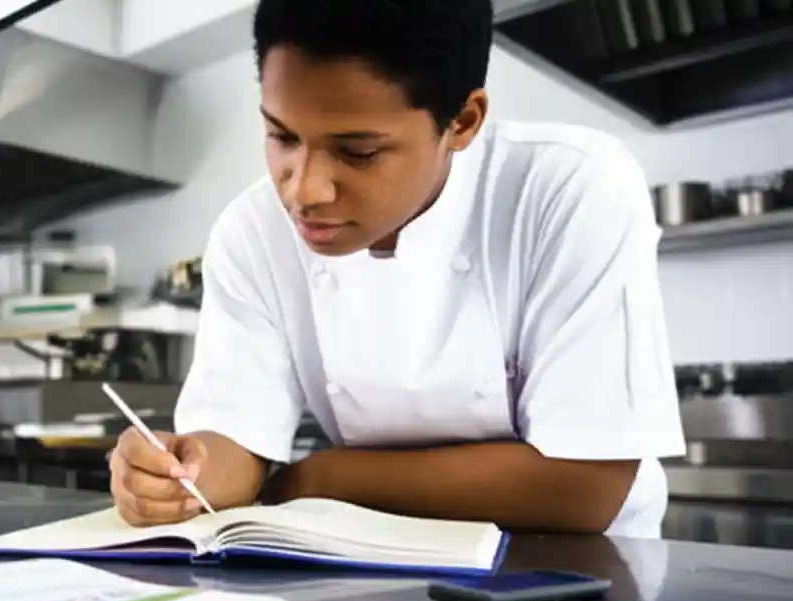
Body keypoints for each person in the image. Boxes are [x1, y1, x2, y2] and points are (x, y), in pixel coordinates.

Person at [108, 0, 685, 538]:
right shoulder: (251, 231)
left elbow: (583, 488)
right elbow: (235, 442)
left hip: (581, 586)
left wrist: (320, 480)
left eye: (357, 152)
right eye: (281, 136)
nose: (304, 191)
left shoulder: (569, 187)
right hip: (372, 560)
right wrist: (180, 479)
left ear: (461, 122)